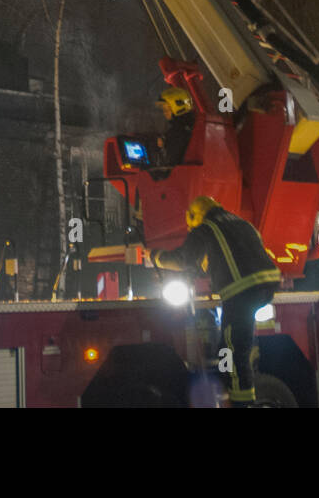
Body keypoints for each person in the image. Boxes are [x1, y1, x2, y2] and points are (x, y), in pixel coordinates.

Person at [131, 196, 280, 406]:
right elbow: (238, 256)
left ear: (195, 216)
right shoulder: (241, 224)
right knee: (233, 342)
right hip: (268, 284)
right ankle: (238, 377)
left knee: (231, 347)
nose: (190, 227)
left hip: (242, 290)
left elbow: (184, 259)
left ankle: (241, 402)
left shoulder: (205, 229)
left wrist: (153, 256)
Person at [149, 87, 197, 179]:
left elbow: (170, 165)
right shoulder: (191, 126)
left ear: (177, 108)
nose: (164, 113)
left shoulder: (177, 132)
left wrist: (161, 147)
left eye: (166, 109)